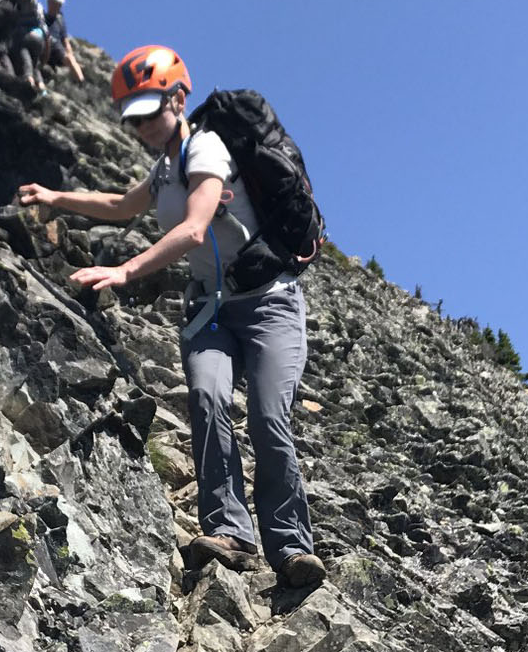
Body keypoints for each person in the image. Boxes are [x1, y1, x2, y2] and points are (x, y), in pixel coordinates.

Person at [17, 45, 326, 591]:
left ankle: (291, 546)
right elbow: (120, 206)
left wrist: (124, 271)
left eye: (149, 113)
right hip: (210, 306)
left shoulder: (207, 148)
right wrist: (56, 196)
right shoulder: (163, 169)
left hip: (269, 302)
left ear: (178, 98)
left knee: (266, 415)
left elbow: (193, 228)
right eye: (132, 118)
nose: (141, 127)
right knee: (208, 402)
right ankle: (229, 532)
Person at [41, 0, 85, 84]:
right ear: (48, 2)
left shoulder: (60, 21)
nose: (54, 7)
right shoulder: (41, 16)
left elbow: (65, 40)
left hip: (57, 50)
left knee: (70, 59)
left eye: (57, 5)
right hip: (43, 48)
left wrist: (71, 55)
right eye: (53, 3)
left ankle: (81, 82)